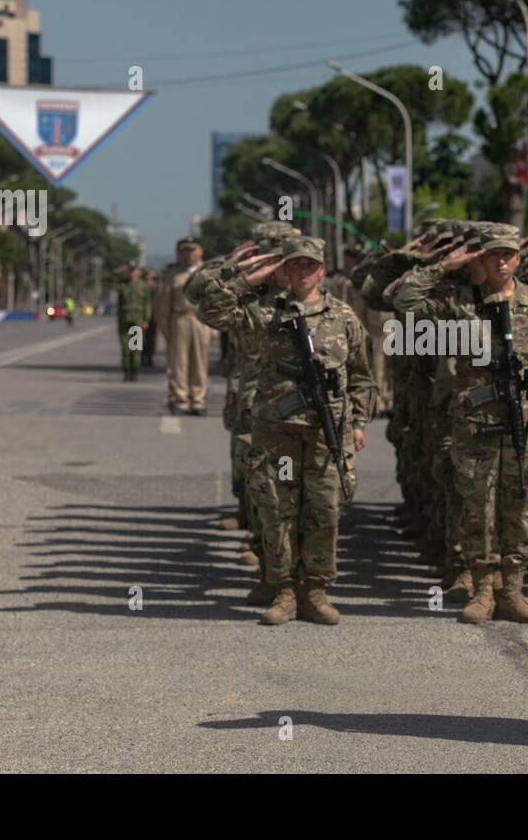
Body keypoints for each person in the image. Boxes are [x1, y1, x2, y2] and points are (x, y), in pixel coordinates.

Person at [191, 235, 374, 625]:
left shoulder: (343, 317)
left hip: (327, 433)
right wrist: (250, 275)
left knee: (324, 510)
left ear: (321, 270)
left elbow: (361, 377)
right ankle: (284, 591)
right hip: (277, 430)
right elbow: (210, 309)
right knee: (277, 509)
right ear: (284, 271)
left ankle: (316, 590)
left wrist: (357, 422)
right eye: (295, 265)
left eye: (310, 266)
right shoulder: (265, 312)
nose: (303, 272)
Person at [393, 222, 528, 625]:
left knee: (522, 503)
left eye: (508, 254)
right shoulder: (460, 302)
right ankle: (483, 590)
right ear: (481, 259)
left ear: (519, 258)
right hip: (475, 422)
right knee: (477, 505)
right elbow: (404, 299)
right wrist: (444, 265)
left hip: (524, 421)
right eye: (492, 255)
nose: (501, 261)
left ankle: (513, 589)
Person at [155, 238, 212, 415]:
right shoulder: (172, 274)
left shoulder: (208, 272)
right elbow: (162, 302)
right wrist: (165, 327)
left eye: (192, 250)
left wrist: (214, 327)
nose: (188, 254)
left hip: (201, 320)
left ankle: (197, 399)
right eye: (184, 251)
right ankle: (180, 399)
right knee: (178, 362)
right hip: (179, 318)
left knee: (200, 362)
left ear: (200, 251)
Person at [114, 264, 154, 381]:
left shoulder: (143, 286)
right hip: (124, 319)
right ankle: (126, 371)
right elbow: (109, 281)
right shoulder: (123, 285)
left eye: (134, 271)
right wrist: (119, 271)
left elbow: (147, 304)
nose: (132, 273)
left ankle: (134, 371)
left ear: (138, 272)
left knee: (135, 347)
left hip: (137, 320)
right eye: (130, 271)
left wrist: (146, 320)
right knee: (125, 348)